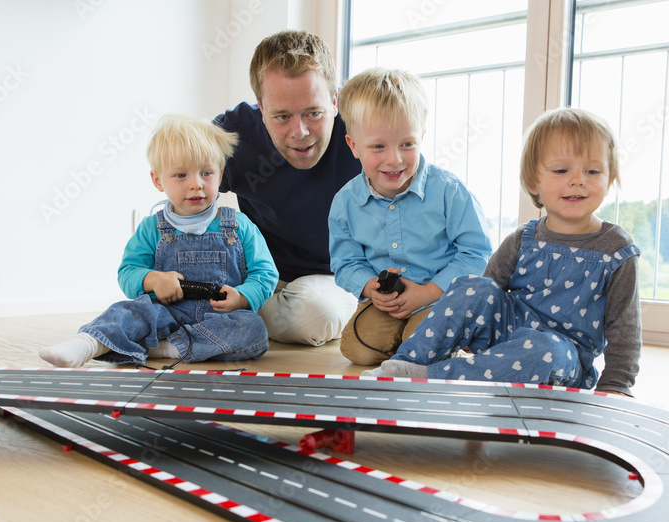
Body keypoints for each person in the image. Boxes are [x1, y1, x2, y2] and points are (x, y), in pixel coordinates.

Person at [367, 107, 641, 396]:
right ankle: (403, 366)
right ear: (534, 180)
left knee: (546, 350)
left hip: (562, 357)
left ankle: (432, 377)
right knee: (471, 286)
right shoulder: (524, 238)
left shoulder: (617, 251)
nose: (578, 180)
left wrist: (616, 387)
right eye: (561, 170)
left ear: (609, 178)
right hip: (508, 335)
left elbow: (625, 329)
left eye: (593, 171)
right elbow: (485, 294)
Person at [39, 114, 278, 368]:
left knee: (252, 329)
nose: (196, 184)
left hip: (219, 318)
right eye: (181, 175)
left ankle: (169, 348)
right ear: (157, 181)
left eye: (206, 173)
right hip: (165, 313)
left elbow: (265, 273)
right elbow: (128, 272)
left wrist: (242, 296)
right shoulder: (152, 228)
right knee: (128, 311)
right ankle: (88, 343)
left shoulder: (239, 226)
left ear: (220, 177)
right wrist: (153, 279)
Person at [328, 67, 492, 366]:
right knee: (357, 350)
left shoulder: (449, 191)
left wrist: (427, 293)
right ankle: (413, 347)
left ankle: (433, 343)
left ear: (422, 137)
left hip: (440, 298)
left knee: (422, 344)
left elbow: (475, 253)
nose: (395, 159)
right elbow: (345, 262)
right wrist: (370, 289)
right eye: (378, 147)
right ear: (353, 145)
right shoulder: (345, 203)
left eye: (407, 144)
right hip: (387, 304)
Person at [213, 30, 361, 347]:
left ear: (335, 100)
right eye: (281, 116)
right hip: (257, 273)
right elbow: (182, 187)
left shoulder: (366, 124)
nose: (300, 132)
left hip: (332, 280)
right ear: (261, 109)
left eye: (314, 113)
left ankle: (235, 315)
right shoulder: (233, 133)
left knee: (317, 312)